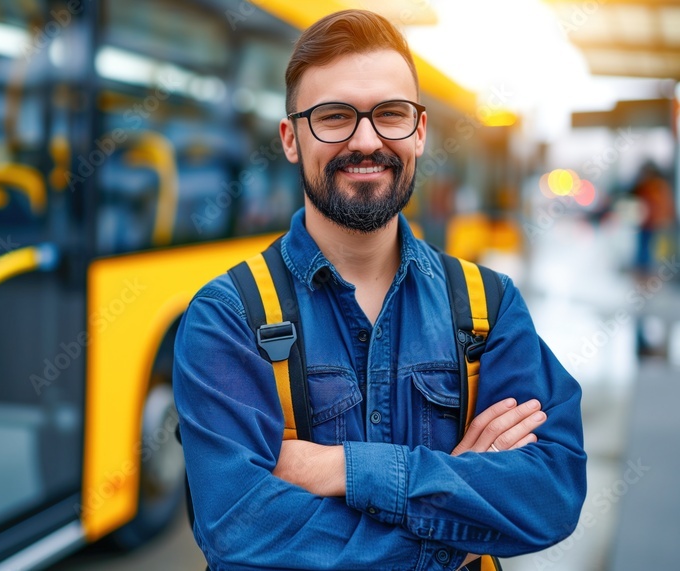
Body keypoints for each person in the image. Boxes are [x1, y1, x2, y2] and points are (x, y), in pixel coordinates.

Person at [173, 10, 586, 571]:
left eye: (390, 114)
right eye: (334, 116)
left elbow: (551, 494)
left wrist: (340, 468)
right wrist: (458, 535)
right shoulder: (227, 317)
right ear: (291, 139)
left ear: (419, 131)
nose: (366, 141)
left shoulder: (489, 306)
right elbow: (239, 531)